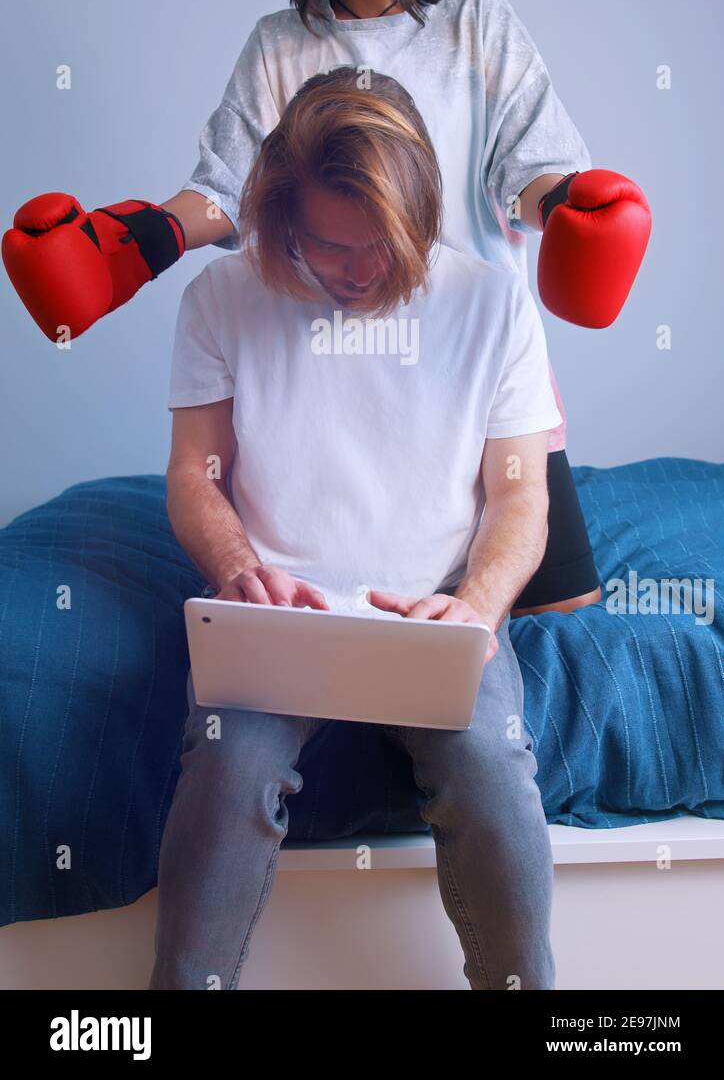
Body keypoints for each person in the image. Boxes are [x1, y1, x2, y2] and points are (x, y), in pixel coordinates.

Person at [2, 0, 651, 616]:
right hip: (321, 378)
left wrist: (573, 209)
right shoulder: (279, 44)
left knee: (565, 631)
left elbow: (526, 168)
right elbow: (228, 190)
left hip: (470, 371)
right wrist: (135, 245)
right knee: (305, 618)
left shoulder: (477, 24)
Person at [150, 65, 563, 991]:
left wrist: (478, 607)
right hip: (277, 615)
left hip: (433, 618)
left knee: (492, 771)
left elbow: (518, 497)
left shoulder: (494, 306)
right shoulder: (220, 300)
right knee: (223, 774)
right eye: (326, 246)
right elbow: (193, 470)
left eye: (382, 243)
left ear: (420, 211)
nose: (358, 271)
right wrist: (235, 566)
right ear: (280, 219)